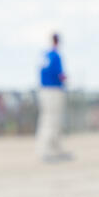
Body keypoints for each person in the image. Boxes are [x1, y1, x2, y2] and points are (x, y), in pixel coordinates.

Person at [36, 32, 68, 161]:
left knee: (46, 119)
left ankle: (53, 149)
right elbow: (60, 75)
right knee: (52, 120)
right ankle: (47, 150)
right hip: (54, 90)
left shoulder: (44, 55)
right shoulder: (55, 56)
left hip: (43, 90)